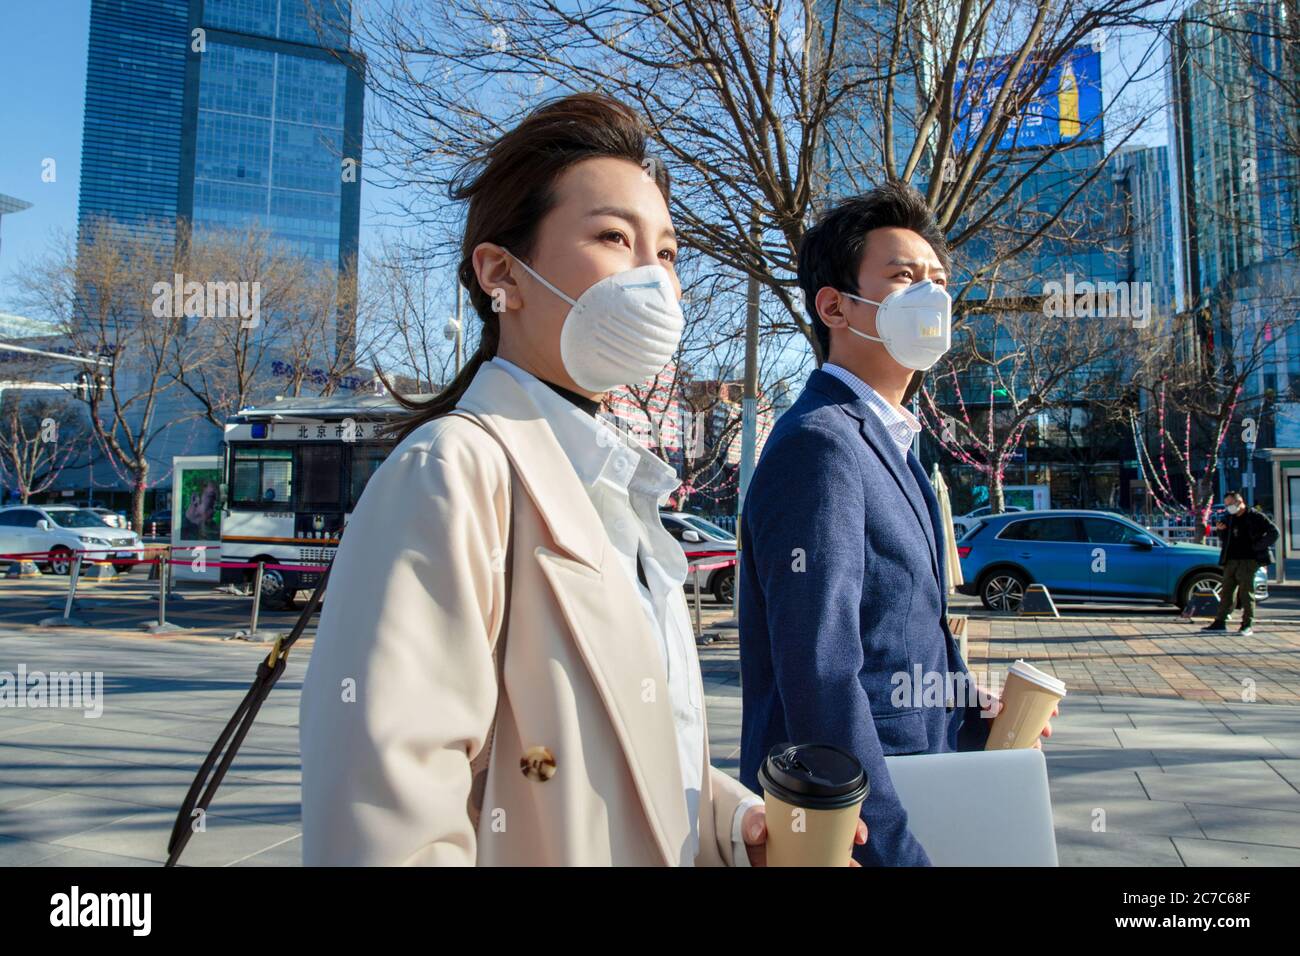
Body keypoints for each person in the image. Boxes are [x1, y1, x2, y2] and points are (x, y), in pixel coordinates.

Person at [298, 92, 867, 866]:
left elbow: (640, 747)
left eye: (666, 252)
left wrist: (735, 825)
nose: (655, 280)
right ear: (503, 274)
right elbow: (389, 828)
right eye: (612, 237)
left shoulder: (613, 485)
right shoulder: (453, 474)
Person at [737, 182, 1052, 867]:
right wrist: (893, 851)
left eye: (938, 279)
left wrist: (971, 708)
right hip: (851, 827)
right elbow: (821, 672)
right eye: (904, 277)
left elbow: (894, 637)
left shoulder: (893, 444)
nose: (931, 295)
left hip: (928, 781)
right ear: (835, 306)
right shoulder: (821, 443)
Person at [1203, 490, 1278, 636]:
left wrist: (1258, 546)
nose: (1228, 507)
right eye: (1226, 504)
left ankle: (1247, 624)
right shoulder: (1229, 517)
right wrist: (1221, 530)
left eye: (1230, 504)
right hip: (1231, 559)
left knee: (1246, 593)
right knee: (1227, 592)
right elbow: (1225, 538)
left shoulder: (1255, 517)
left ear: (1239, 501)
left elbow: (1274, 532)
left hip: (1248, 560)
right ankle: (1220, 622)